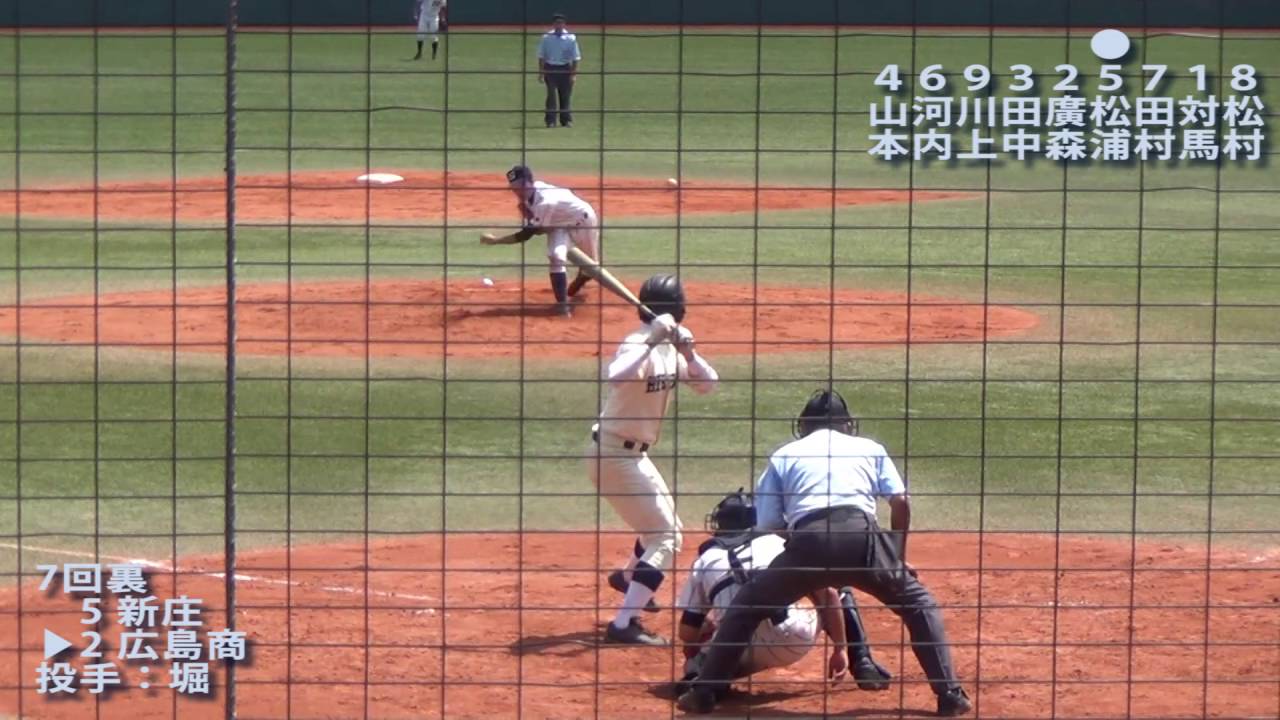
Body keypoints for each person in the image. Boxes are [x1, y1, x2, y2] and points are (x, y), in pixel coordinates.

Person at [677, 389, 972, 716]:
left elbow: (770, 522)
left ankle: (704, 693)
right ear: (847, 424)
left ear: (804, 425)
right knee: (919, 605)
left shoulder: (784, 454)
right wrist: (894, 554)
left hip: (808, 542)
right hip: (864, 540)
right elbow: (901, 501)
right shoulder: (870, 448)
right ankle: (950, 695)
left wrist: (805, 549)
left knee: (746, 607)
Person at [589, 275, 718, 645]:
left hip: (633, 456)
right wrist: (650, 339)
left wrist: (689, 352)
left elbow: (709, 383)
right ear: (676, 308)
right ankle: (623, 624)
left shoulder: (670, 348)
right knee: (666, 537)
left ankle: (628, 578)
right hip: (612, 454)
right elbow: (614, 376)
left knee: (665, 528)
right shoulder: (637, 343)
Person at [674, 490, 893, 695]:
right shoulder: (780, 544)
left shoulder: (705, 559)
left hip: (735, 647)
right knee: (837, 587)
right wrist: (839, 649)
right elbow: (829, 597)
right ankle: (862, 661)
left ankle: (705, 677)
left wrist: (706, 628)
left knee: (699, 646)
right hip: (793, 638)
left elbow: (686, 633)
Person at [479, 165, 598, 317]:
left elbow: (527, 235)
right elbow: (541, 226)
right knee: (555, 256)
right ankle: (563, 306)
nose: (517, 191)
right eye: (514, 187)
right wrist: (531, 217)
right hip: (559, 225)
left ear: (529, 182)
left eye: (520, 186)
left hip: (584, 221)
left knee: (592, 267)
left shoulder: (545, 202)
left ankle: (585, 274)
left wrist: (496, 241)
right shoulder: (532, 195)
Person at [537, 13, 581, 128]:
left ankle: (565, 120)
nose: (559, 25)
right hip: (550, 68)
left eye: (561, 23)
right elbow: (541, 56)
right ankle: (550, 121)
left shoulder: (571, 38)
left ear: (564, 24)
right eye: (557, 23)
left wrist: (573, 74)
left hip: (565, 68)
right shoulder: (546, 38)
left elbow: (575, 57)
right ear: (553, 24)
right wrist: (541, 73)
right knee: (551, 96)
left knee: (565, 96)